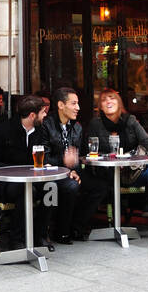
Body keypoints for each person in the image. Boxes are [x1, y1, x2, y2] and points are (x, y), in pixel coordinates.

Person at [87, 88, 148, 239]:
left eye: (112, 98)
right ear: (101, 106)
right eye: (104, 100)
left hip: (132, 172)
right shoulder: (95, 124)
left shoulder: (129, 121)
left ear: (119, 102)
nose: (108, 101)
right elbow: (91, 151)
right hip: (108, 174)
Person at [0, 95, 56, 249]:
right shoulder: (3, 130)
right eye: (43, 112)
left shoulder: (40, 130)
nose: (45, 115)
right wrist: (16, 171)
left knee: (52, 188)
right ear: (32, 115)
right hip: (7, 183)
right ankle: (17, 239)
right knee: (25, 191)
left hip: (32, 179)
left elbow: (44, 155)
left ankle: (41, 234)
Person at [40, 87, 109, 243]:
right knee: (67, 187)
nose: (78, 108)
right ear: (60, 105)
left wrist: (75, 170)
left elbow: (76, 155)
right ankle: (57, 232)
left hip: (70, 172)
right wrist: (65, 166)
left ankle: (76, 226)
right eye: (74, 103)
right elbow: (43, 158)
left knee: (99, 186)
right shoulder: (46, 125)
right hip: (50, 174)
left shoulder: (77, 127)